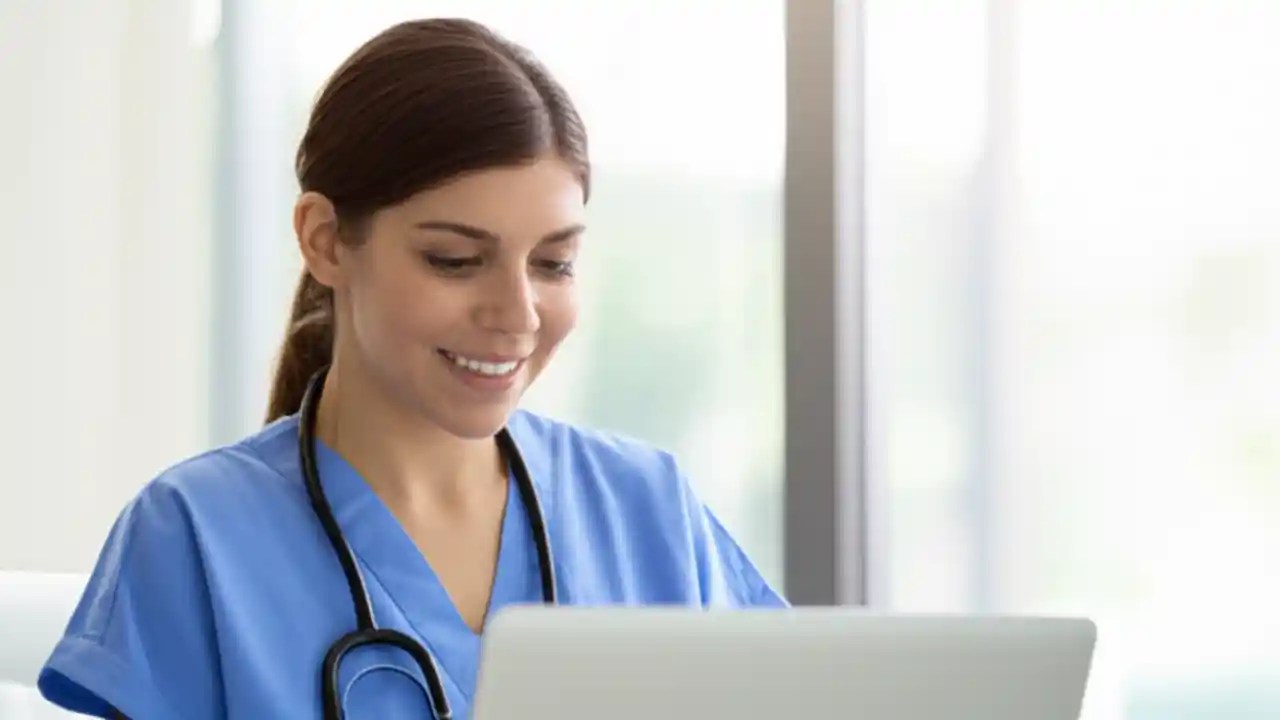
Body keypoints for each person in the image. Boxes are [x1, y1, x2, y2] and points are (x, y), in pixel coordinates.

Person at [36, 17, 785, 719]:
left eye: (554, 263)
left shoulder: (646, 511)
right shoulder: (193, 535)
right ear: (326, 241)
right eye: (454, 260)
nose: (517, 313)